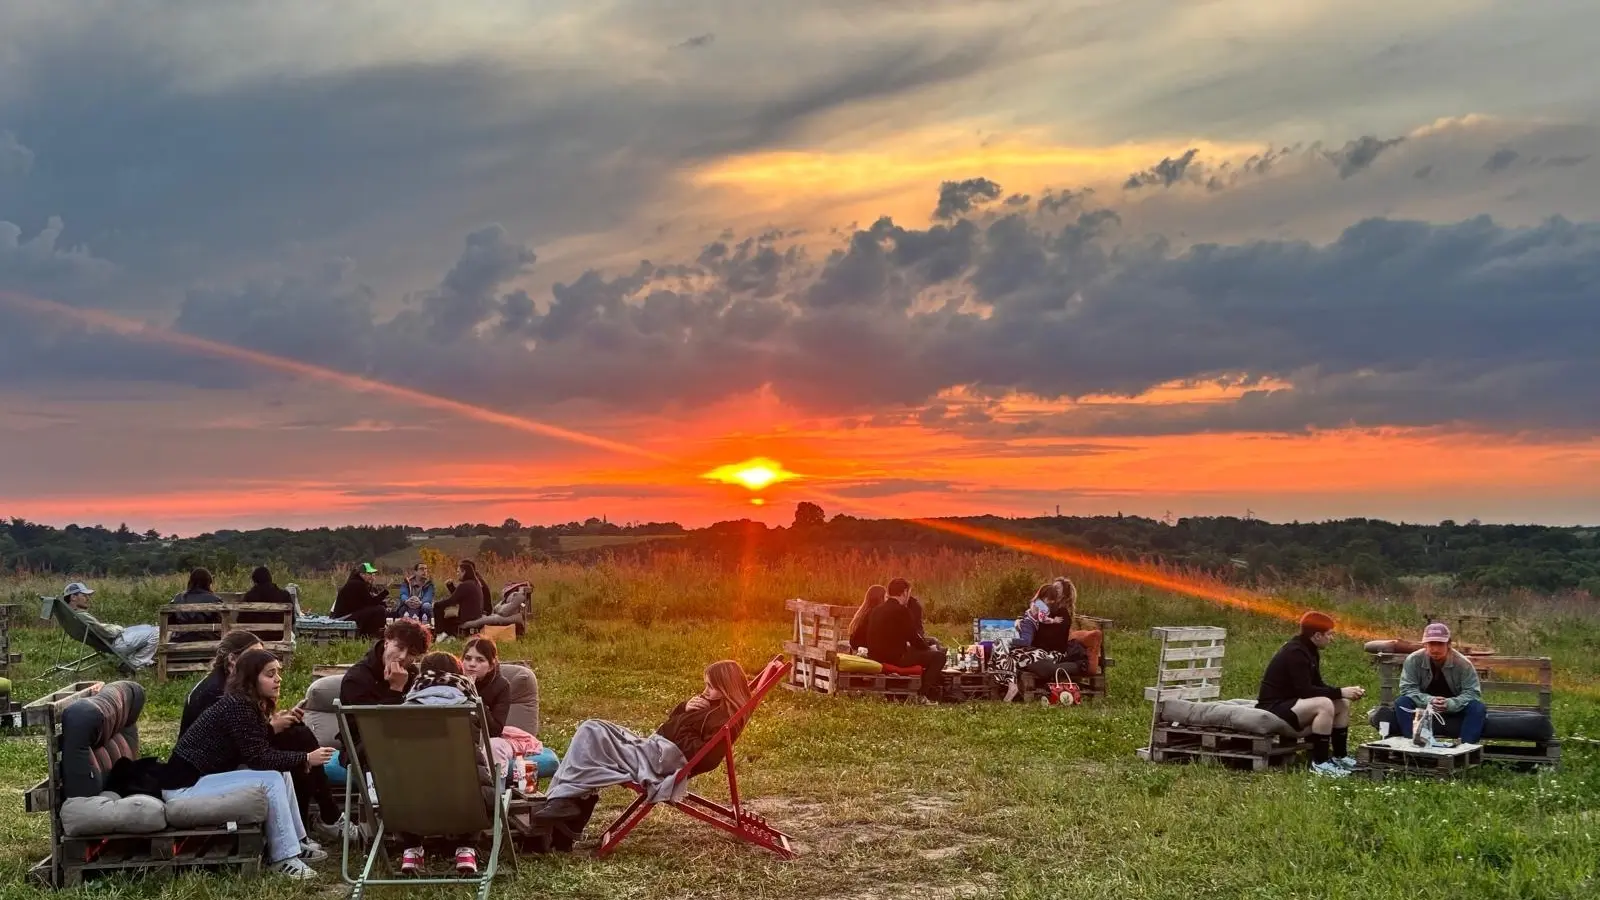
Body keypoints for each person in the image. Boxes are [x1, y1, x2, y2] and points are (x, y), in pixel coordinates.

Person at [157, 649, 336, 880]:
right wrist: (305, 758)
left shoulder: (244, 704)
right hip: (185, 786)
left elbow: (253, 745)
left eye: (278, 673)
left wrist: (275, 730)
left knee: (279, 773)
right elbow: (258, 757)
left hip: (203, 779)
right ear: (251, 678)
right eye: (270, 674)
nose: (278, 679)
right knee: (271, 778)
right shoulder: (237, 706)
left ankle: (297, 842)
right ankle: (283, 858)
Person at [534, 660, 750, 848]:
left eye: (710, 686)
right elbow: (677, 725)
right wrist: (683, 708)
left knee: (591, 733)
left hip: (659, 760)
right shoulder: (712, 706)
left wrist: (682, 725)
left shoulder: (724, 720)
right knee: (592, 731)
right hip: (653, 749)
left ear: (727, 687)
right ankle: (564, 805)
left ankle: (561, 804)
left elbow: (708, 758)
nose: (704, 691)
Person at [180, 630, 346, 840]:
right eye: (254, 658)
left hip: (226, 756)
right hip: (208, 770)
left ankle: (309, 825)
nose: (261, 662)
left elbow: (241, 733)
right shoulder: (216, 693)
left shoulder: (231, 687)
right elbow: (244, 749)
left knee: (296, 734)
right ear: (233, 660)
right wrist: (297, 751)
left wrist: (274, 721)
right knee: (296, 743)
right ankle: (319, 820)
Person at [396, 652, 495, 876]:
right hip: (465, 799)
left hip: (411, 801)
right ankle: (466, 849)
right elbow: (493, 730)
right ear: (458, 675)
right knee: (480, 787)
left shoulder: (401, 712)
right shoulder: (471, 708)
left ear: (421, 677)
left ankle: (411, 850)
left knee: (406, 783)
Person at [1255, 611, 1367, 778]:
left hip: (1293, 702)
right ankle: (1320, 763)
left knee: (1342, 703)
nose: (1332, 638)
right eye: (1329, 634)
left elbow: (1317, 685)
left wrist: (1343, 693)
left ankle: (1340, 756)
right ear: (1316, 635)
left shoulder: (1310, 650)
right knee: (1324, 704)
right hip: (1275, 705)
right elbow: (1306, 691)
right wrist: (1340, 691)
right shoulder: (1295, 652)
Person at [339, 619, 432, 763]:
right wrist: (395, 690)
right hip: (363, 746)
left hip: (405, 741)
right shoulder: (357, 678)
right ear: (387, 641)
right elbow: (373, 729)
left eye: (411, 653)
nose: (402, 657)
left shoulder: (413, 675)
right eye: (400, 647)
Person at [1394, 623, 1486, 744]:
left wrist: (1450, 703)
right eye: (1431, 644)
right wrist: (1429, 700)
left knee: (1477, 708)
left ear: (1448, 644)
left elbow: (1472, 693)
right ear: (1425, 645)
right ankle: (1412, 744)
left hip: (1455, 706)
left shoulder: (1463, 664)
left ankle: (1466, 747)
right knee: (1402, 702)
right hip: (1424, 704)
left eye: (1440, 644)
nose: (1435, 649)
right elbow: (1407, 688)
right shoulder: (1414, 660)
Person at [860, 578, 947, 703]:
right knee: (938, 657)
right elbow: (914, 638)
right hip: (896, 658)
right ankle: (921, 695)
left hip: (876, 657)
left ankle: (907, 692)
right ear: (905, 592)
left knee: (918, 653)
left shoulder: (876, 610)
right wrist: (928, 649)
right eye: (909, 593)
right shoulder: (902, 611)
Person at [991, 593, 1090, 702]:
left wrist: (1012, 638)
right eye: (1035, 604)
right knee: (1003, 649)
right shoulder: (1038, 612)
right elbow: (1035, 620)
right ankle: (1009, 685)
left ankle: (1009, 684)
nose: (1037, 607)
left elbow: (1029, 640)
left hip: (1046, 652)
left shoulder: (1058, 615)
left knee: (1003, 647)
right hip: (1034, 649)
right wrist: (1022, 622)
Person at [60, 581, 159, 667]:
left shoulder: (72, 616)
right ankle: (134, 664)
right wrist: (118, 628)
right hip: (117, 643)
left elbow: (99, 629)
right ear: (73, 597)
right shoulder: (82, 616)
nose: (88, 598)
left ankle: (145, 660)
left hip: (110, 643)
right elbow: (107, 632)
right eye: (84, 595)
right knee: (157, 632)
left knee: (149, 627)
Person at [432, 560, 488, 639]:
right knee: (445, 610)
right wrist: (451, 586)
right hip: (476, 614)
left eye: (458, 572)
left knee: (438, 607)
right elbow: (459, 596)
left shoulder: (465, 585)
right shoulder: (475, 583)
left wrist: (435, 604)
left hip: (467, 617)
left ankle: (439, 634)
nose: (457, 574)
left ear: (464, 572)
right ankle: (447, 634)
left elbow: (451, 601)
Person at [332, 563, 390, 638]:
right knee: (379, 610)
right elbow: (371, 603)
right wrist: (384, 593)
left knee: (377, 609)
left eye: (372, 574)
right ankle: (369, 635)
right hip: (344, 617)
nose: (371, 576)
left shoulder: (355, 582)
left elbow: (364, 603)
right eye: (369, 574)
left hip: (344, 615)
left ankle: (368, 634)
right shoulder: (358, 584)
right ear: (362, 574)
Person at [168, 567, 223, 643]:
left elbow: (170, 622)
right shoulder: (214, 599)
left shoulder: (178, 598)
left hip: (179, 641)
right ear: (208, 583)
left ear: (191, 581)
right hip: (207, 640)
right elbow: (220, 624)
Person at [846, 584, 888, 652]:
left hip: (856, 650)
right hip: (865, 653)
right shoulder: (874, 615)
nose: (887, 600)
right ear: (880, 598)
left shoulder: (862, 613)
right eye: (886, 597)